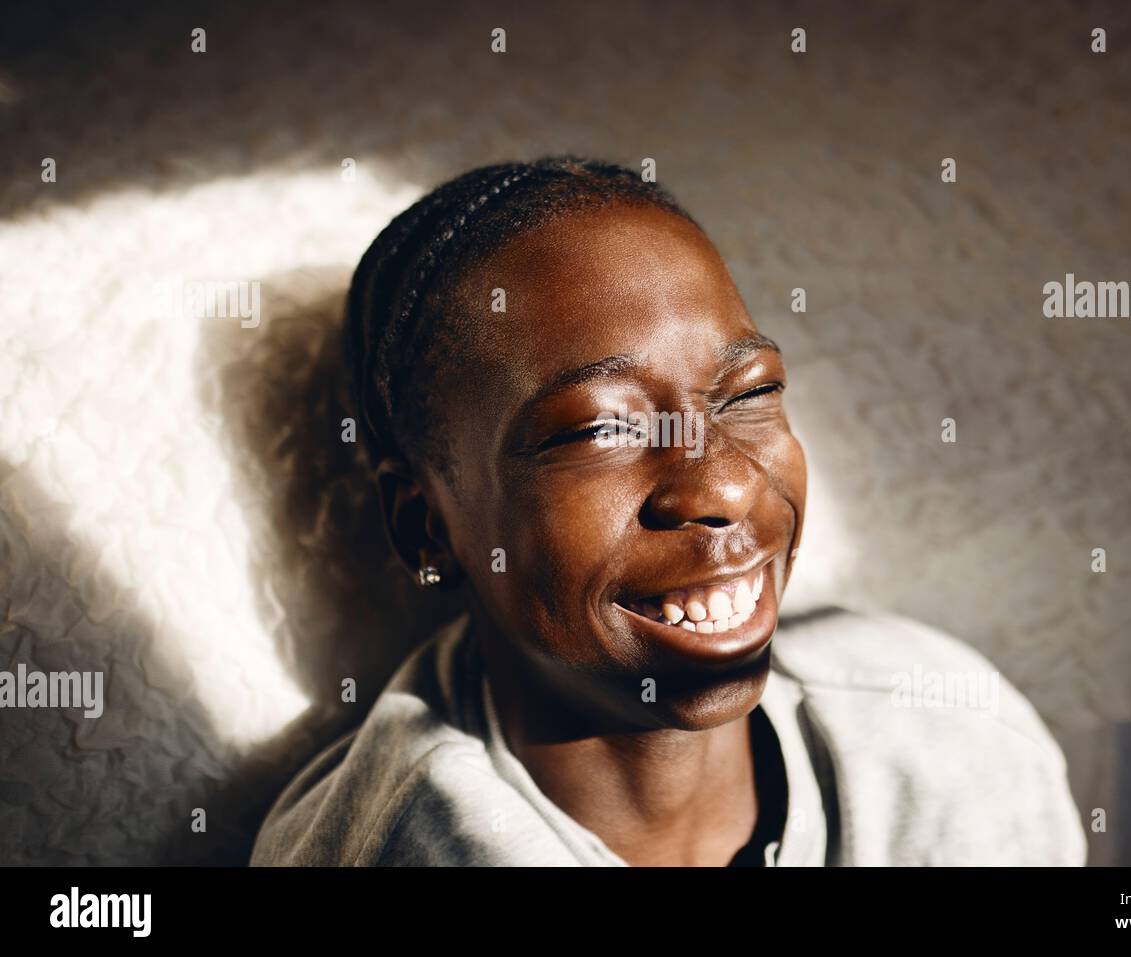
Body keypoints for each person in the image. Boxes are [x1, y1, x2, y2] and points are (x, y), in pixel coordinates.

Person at [249, 156, 1087, 867]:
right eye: (601, 427)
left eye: (750, 393)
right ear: (426, 525)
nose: (722, 484)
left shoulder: (950, 736)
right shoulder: (394, 842)